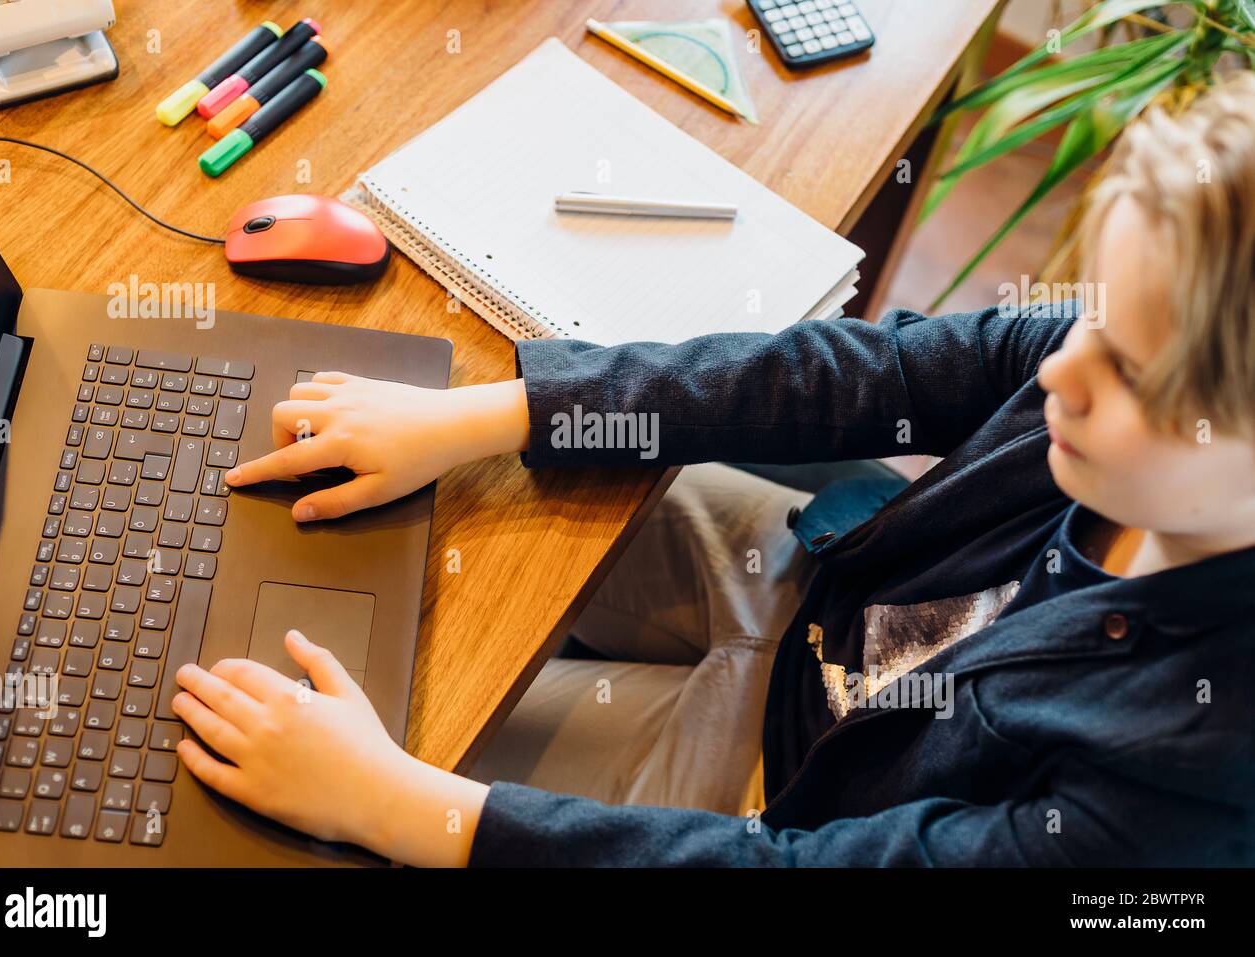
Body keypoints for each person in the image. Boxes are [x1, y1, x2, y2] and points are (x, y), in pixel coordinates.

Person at [168, 75, 1255, 866]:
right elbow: (848, 374)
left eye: (1124, 369)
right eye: (1084, 318)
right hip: (816, 598)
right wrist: (488, 413)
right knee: (452, 513)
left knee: (374, 770)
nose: (1055, 367)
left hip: (790, 816)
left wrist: (393, 804)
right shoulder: (1121, 364)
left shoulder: (1186, 789)